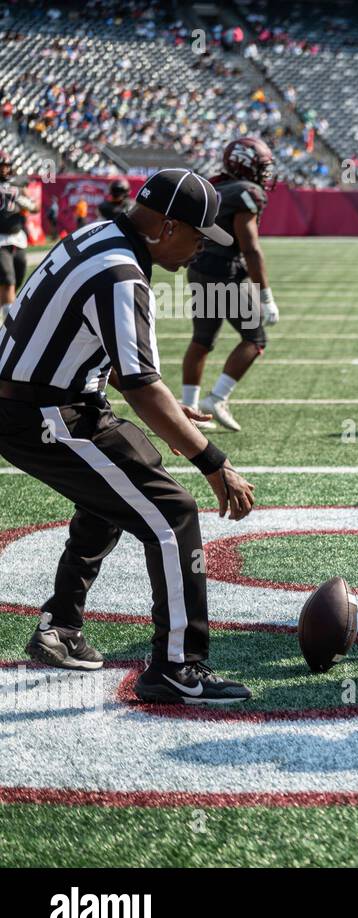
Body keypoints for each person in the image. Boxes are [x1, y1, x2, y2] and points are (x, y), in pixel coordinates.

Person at [0, 168, 256, 703]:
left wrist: (177, 414)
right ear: (165, 225)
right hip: (42, 411)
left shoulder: (101, 236)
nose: (199, 250)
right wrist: (213, 461)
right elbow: (139, 386)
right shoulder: (120, 272)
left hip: (55, 400)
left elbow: (122, 368)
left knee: (127, 479)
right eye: (198, 235)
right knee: (173, 513)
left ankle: (61, 624)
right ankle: (177, 667)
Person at [181, 136, 279, 433]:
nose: (266, 175)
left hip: (199, 267)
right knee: (255, 339)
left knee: (202, 341)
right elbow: (250, 248)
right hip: (224, 272)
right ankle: (217, 399)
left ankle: (189, 408)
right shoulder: (246, 192)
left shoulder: (215, 186)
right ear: (246, 166)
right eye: (262, 168)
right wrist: (266, 295)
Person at [0, 150, 38, 315]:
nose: (4, 169)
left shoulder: (19, 184)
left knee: (20, 271)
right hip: (0, 238)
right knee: (8, 278)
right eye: (1, 166)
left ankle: (6, 303)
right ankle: (9, 319)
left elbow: (35, 207)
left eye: (6, 166)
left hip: (17, 237)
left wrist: (28, 204)